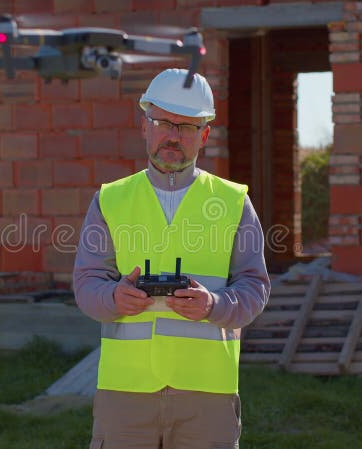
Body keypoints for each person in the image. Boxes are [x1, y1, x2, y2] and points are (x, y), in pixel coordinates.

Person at [73, 68, 271, 449]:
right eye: (163, 122)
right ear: (145, 125)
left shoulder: (232, 202)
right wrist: (114, 298)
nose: (173, 135)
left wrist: (214, 304)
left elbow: (254, 287)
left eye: (186, 126)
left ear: (205, 135)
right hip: (125, 391)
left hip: (207, 393)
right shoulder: (110, 200)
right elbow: (86, 284)